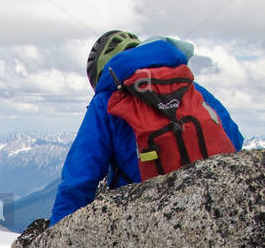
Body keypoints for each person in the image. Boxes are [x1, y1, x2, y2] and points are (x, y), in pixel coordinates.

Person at [50, 31, 243, 225]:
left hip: (150, 219)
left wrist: (54, 239)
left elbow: (79, 180)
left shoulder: (105, 102)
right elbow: (234, 140)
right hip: (218, 205)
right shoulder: (191, 87)